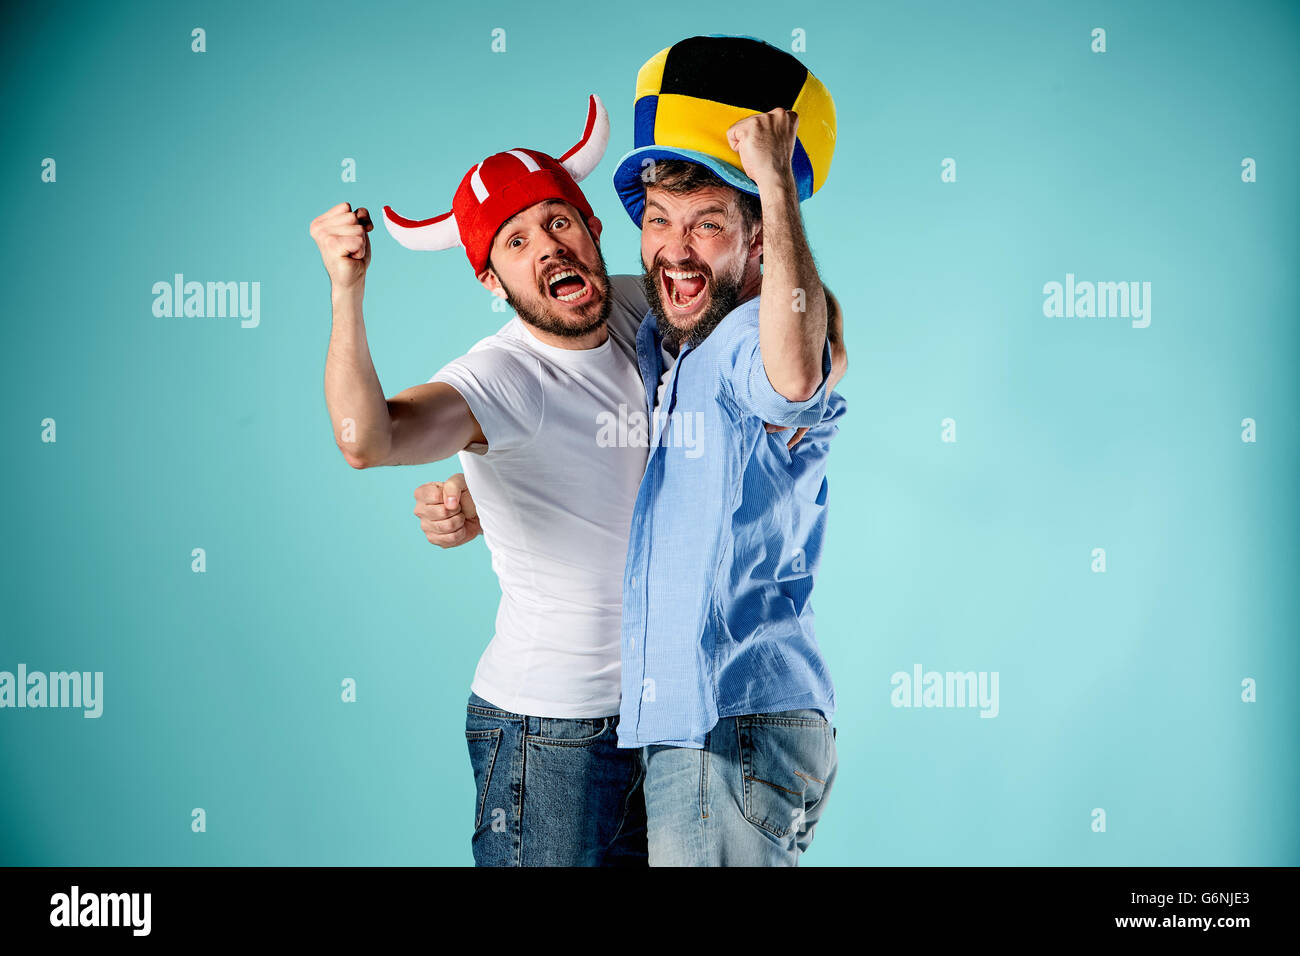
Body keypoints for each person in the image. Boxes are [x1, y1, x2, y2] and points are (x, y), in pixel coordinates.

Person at [419, 36, 849, 866]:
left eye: (709, 224)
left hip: (732, 722)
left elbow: (797, 369)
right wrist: (493, 491)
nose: (676, 248)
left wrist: (773, 184)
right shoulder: (667, 340)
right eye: (658, 222)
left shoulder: (758, 340)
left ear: (759, 241)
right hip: (683, 730)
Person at [310, 97, 653, 866]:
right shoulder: (502, 377)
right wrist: (346, 290)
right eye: (516, 240)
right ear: (492, 280)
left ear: (594, 230)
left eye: (559, 221)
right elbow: (369, 439)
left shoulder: (637, 308)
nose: (548, 249)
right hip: (551, 734)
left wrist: (480, 500)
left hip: (658, 723)